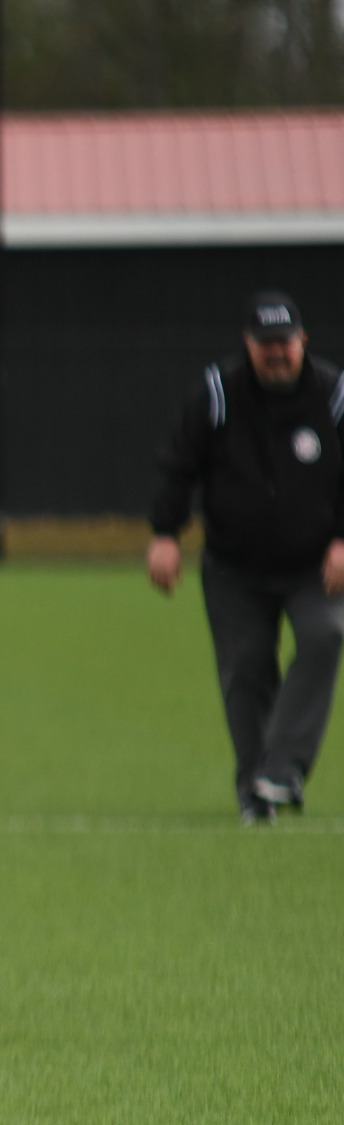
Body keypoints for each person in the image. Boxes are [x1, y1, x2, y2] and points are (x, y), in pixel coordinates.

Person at [148, 290, 344, 823]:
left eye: (285, 342)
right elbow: (178, 464)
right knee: (247, 668)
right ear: (248, 345)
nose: (277, 353)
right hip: (235, 566)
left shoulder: (333, 395)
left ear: (303, 341)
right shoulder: (218, 393)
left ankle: (284, 768)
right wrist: (165, 533)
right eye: (266, 344)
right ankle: (254, 789)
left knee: (325, 634)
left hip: (314, 566)